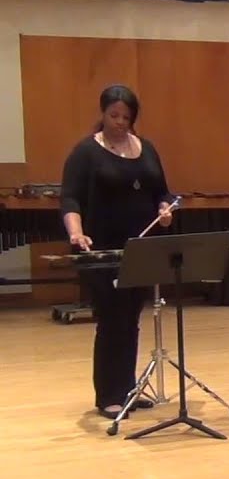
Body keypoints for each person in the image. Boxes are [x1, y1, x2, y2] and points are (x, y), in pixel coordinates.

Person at [60, 84, 175, 419]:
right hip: (103, 251)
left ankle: (126, 389)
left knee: (131, 320)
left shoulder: (147, 149)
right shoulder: (86, 152)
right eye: (114, 115)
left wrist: (165, 209)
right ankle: (108, 395)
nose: (120, 122)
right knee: (111, 320)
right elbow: (70, 198)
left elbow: (162, 192)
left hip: (140, 248)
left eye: (126, 116)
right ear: (103, 113)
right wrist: (76, 232)